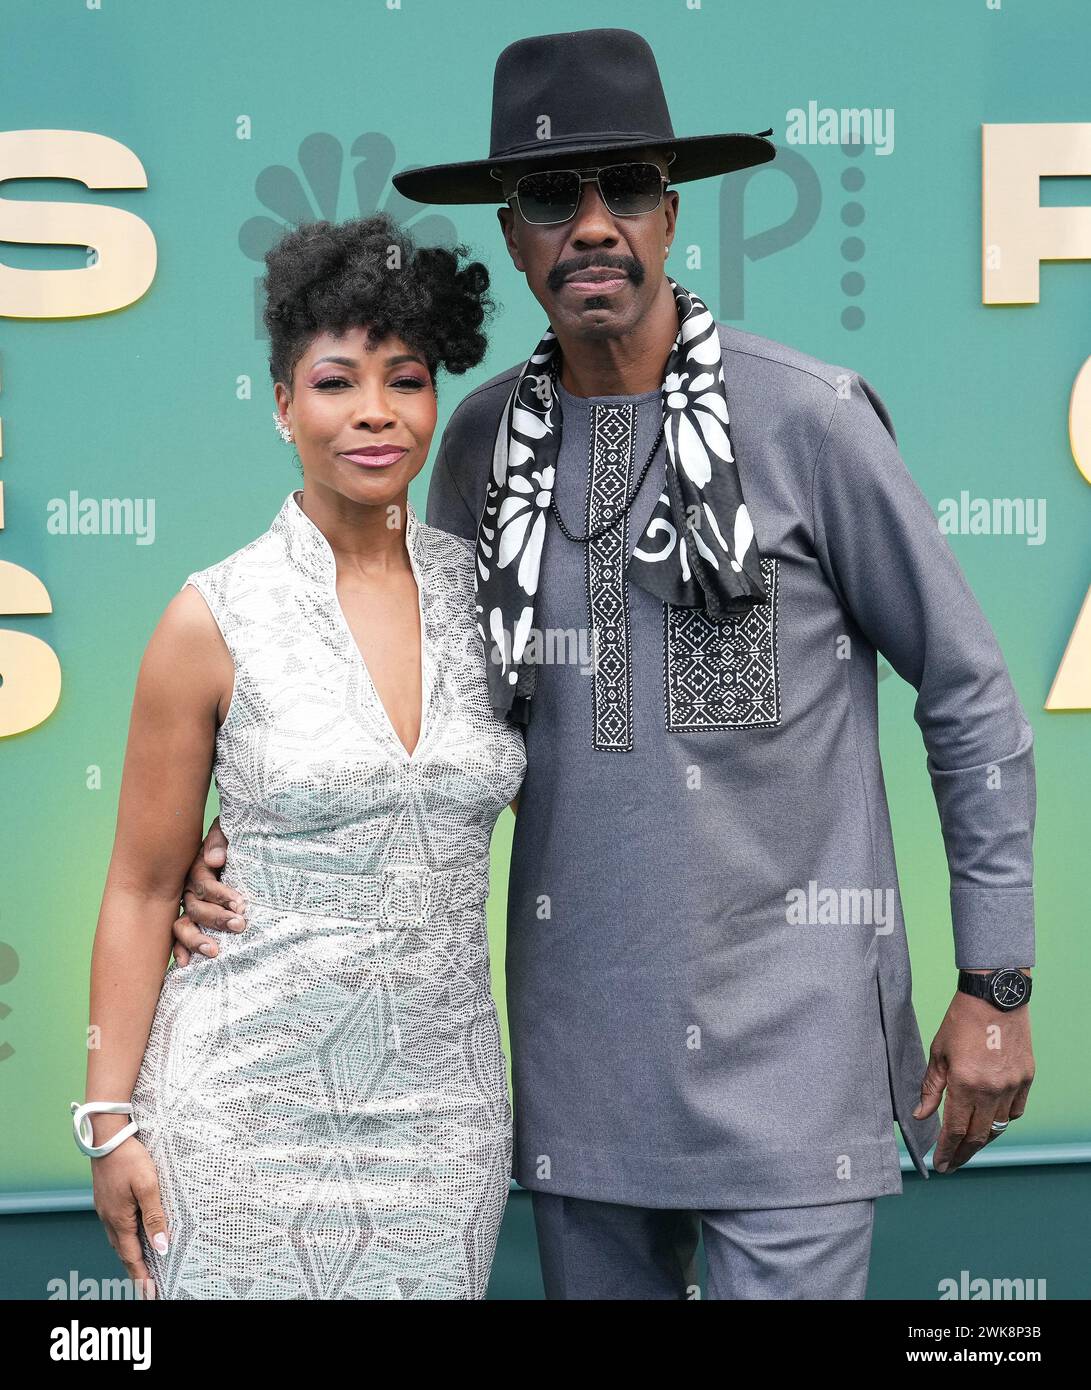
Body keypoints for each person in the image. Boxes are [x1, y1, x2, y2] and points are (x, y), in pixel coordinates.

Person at [175, 29, 1036, 1300]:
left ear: (670, 213)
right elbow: (410, 698)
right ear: (512, 237)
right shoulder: (477, 447)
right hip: (579, 1068)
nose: (591, 224)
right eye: (547, 197)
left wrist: (995, 981)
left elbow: (968, 697)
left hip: (792, 1063)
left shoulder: (807, 418)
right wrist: (248, 838)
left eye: (622, 186)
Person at [75, 213, 526, 1300]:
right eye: (335, 382)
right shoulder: (211, 615)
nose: (373, 411)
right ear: (282, 404)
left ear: (434, 401)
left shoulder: (497, 598)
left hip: (444, 1112)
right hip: (236, 1110)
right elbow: (142, 884)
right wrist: (106, 1120)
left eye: (405, 379)